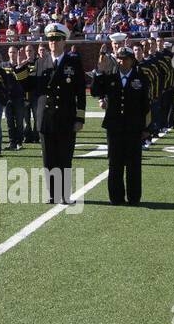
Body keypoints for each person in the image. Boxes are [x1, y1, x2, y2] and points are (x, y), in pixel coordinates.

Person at [91, 46, 151, 205]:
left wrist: (146, 128)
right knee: (114, 163)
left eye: (124, 58)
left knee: (134, 163)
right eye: (119, 58)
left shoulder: (141, 78)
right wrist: (99, 71)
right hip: (114, 127)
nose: (121, 61)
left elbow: (146, 104)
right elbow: (95, 91)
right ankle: (116, 197)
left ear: (132, 60)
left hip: (134, 127)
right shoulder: (110, 77)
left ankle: (134, 197)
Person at [36, 22, 86, 202]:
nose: (53, 43)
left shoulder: (73, 62)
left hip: (66, 117)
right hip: (46, 118)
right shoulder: (41, 62)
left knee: (64, 158)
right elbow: (33, 88)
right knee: (49, 160)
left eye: (57, 39)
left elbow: (81, 92)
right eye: (50, 39)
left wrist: (80, 118)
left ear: (64, 41)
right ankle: (52, 194)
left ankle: (64, 194)